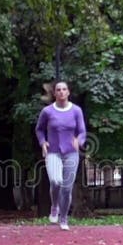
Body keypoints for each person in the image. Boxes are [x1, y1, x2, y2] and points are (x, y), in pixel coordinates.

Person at [35, 81, 86, 230]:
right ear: (54, 93)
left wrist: (79, 140)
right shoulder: (47, 112)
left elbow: (82, 131)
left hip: (71, 153)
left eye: (64, 89)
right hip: (53, 153)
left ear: (68, 92)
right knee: (56, 181)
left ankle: (63, 218)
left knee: (67, 188)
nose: (62, 92)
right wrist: (42, 142)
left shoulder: (76, 111)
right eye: (58, 90)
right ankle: (54, 207)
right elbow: (39, 130)